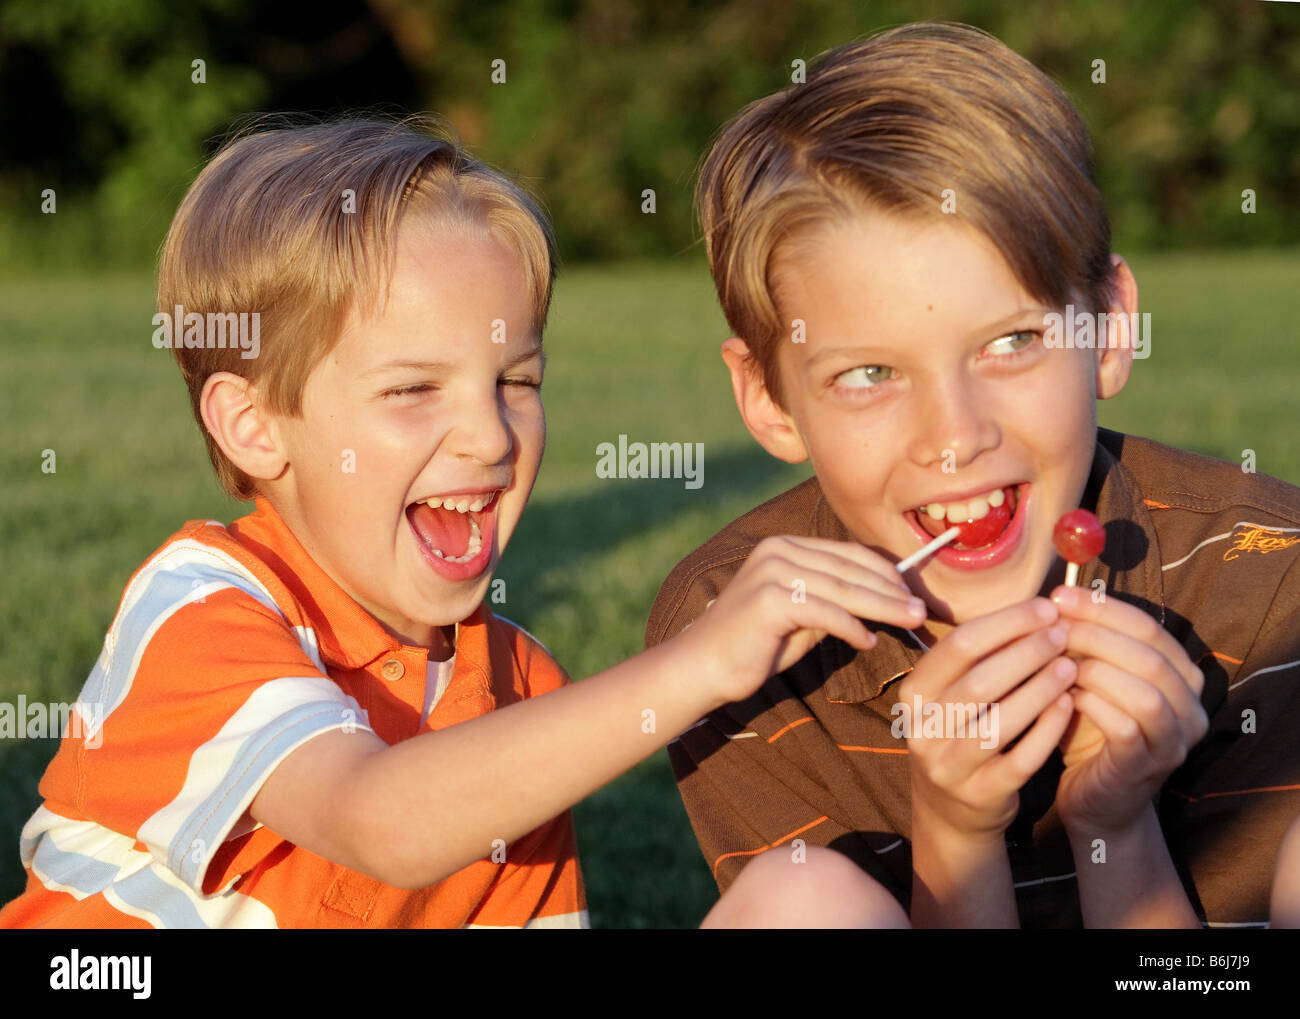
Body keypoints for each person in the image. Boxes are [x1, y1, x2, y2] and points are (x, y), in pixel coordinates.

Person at [0, 116, 921, 928]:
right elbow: (379, 819)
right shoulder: (203, 609)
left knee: (810, 901)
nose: (489, 434)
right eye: (411, 389)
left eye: (516, 381)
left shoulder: (520, 700)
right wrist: (697, 665)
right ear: (254, 425)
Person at [647, 22, 1300, 928]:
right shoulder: (743, 645)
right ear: (768, 398)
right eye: (869, 374)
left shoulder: (1268, 583)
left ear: (1108, 328)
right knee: (797, 903)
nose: (954, 437)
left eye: (1011, 342)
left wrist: (1116, 824)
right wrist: (954, 830)